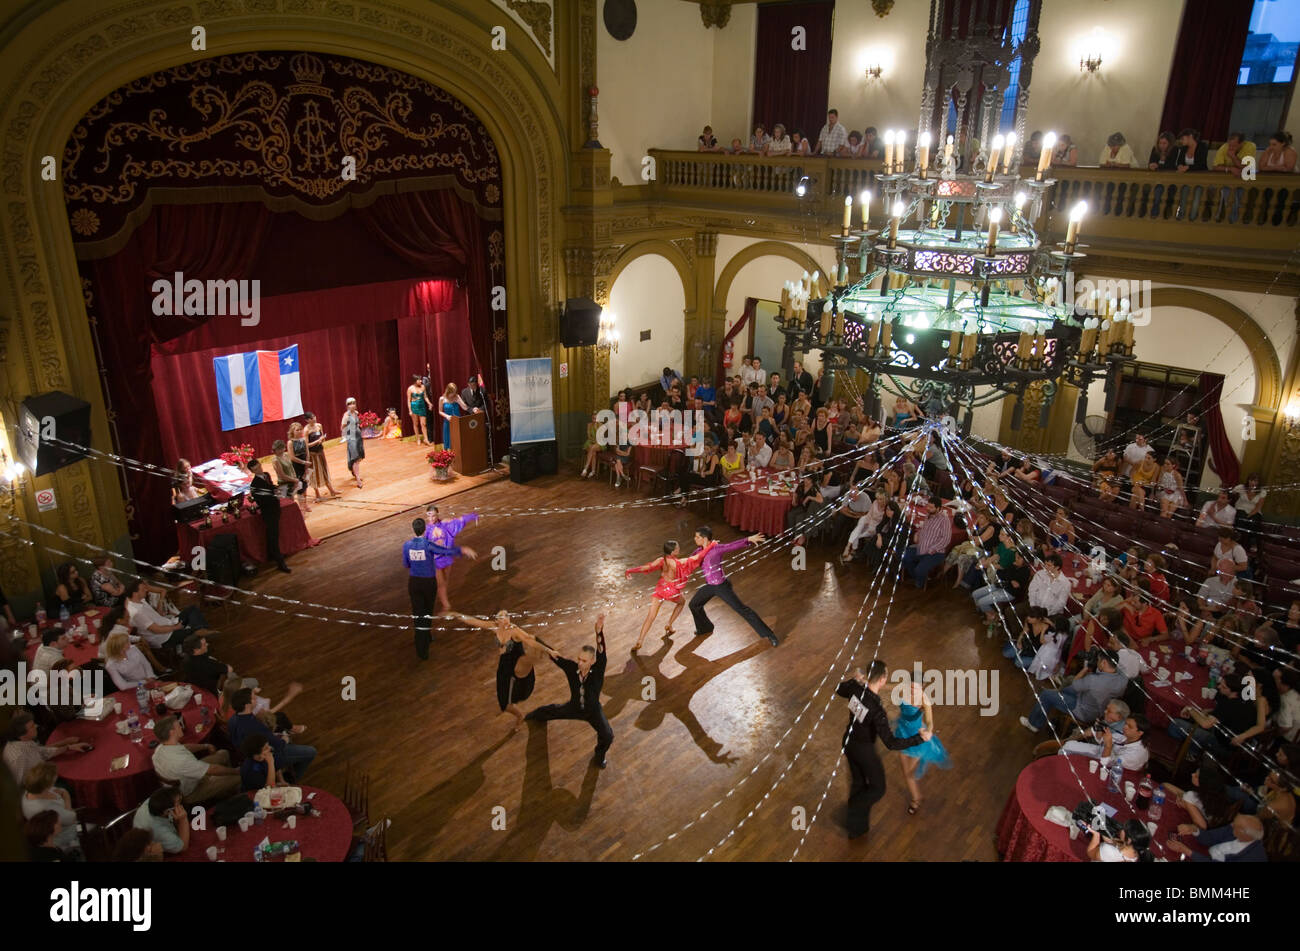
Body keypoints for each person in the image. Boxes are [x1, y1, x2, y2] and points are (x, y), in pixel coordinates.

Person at [836, 661, 929, 839]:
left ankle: (857, 829)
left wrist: (854, 681)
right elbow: (891, 743)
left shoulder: (856, 689)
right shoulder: (877, 709)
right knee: (878, 788)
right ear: (883, 679)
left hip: (848, 743)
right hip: (864, 750)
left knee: (859, 783)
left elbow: (839, 689)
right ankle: (852, 811)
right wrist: (918, 738)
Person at [525, 614, 614, 768]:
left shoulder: (598, 671)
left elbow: (601, 652)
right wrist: (538, 642)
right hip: (574, 707)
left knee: (607, 736)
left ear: (592, 661)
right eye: (579, 659)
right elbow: (555, 656)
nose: (580, 663)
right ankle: (536, 715)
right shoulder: (572, 668)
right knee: (554, 710)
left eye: (584, 661)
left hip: (593, 712)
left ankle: (599, 758)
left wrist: (599, 632)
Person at [455, 610, 553, 725]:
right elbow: (474, 622)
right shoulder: (494, 627)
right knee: (504, 703)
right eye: (502, 617)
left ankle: (520, 716)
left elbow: (528, 640)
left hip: (517, 664)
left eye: (507, 616)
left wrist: (548, 650)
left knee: (510, 699)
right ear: (497, 621)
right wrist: (456, 615)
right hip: (504, 666)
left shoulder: (514, 630)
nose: (506, 619)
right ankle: (518, 714)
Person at [687, 527, 779, 646]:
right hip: (709, 586)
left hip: (721, 586)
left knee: (743, 610)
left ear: (704, 538)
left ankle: (769, 635)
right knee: (694, 605)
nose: (695, 539)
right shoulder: (698, 551)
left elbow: (732, 546)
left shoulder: (717, 549)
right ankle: (705, 627)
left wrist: (748, 539)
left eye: (697, 537)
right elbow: (689, 561)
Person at [403, 517, 474, 660]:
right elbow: (445, 551)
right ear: (424, 529)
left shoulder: (406, 545)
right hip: (428, 583)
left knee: (418, 614)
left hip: (414, 583)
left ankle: (425, 638)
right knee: (427, 612)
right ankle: (423, 649)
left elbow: (406, 564)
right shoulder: (428, 545)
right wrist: (461, 550)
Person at [625, 540, 709, 652]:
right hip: (671, 591)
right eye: (677, 548)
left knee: (651, 616)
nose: (679, 549)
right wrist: (711, 545)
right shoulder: (677, 563)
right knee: (682, 602)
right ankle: (669, 624)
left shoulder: (661, 560)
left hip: (660, 588)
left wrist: (629, 570)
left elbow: (646, 567)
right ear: (673, 551)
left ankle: (640, 640)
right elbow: (697, 557)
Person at [1019, 648, 1127, 733]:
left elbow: (1074, 685)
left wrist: (1085, 669)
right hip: (1099, 710)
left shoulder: (1093, 680)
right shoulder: (1123, 680)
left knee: (1047, 694)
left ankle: (1033, 724)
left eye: (1098, 661)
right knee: (1064, 689)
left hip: (1083, 710)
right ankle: (1055, 695)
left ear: (1103, 663)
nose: (1097, 662)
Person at [227, 687, 318, 783]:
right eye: (254, 698)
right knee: (311, 752)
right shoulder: (255, 726)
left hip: (248, 755)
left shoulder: (233, 719)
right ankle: (291, 779)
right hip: (264, 758)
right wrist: (284, 739)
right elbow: (279, 745)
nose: (257, 700)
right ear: (247, 705)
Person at [150, 715, 240, 805]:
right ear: (172, 732)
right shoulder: (181, 761)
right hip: (193, 791)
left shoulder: (160, 748)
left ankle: (227, 790)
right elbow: (213, 770)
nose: (181, 727)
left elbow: (184, 747)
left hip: (189, 777)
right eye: (179, 725)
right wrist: (236, 771)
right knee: (240, 777)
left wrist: (205, 746)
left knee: (223, 754)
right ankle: (232, 791)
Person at [893, 677, 951, 815]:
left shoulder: (925, 700)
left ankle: (916, 799)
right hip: (902, 735)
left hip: (917, 739)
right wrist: (867, 682)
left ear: (923, 687)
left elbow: (930, 721)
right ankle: (916, 797)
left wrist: (928, 731)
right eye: (911, 687)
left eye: (916, 688)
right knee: (906, 773)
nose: (912, 691)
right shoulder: (903, 689)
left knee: (910, 774)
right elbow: (885, 686)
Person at [124, 577, 208, 648]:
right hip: (163, 638)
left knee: (192, 609)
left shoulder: (137, 599)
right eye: (143, 589)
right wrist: (176, 627)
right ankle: (199, 643)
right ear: (135, 593)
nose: (147, 590)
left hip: (167, 624)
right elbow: (157, 630)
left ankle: (201, 638)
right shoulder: (136, 612)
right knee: (194, 629)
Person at [425, 506, 480, 613]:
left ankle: (446, 603)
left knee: (445, 581)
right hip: (435, 560)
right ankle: (446, 606)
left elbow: (460, 520)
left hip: (447, 557)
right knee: (440, 584)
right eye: (429, 516)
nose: (431, 518)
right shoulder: (426, 529)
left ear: (437, 515)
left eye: (433, 515)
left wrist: (473, 516)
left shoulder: (446, 525)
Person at [20, 762, 80, 853]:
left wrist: (60, 793)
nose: (56, 777)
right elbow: (71, 818)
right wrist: (67, 797)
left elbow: (55, 791)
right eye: (53, 781)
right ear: (46, 786)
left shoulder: (29, 791)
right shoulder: (47, 808)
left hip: (48, 831)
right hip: (62, 834)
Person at [1061, 714, 1150, 771]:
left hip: (1112, 769)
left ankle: (1063, 768)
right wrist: (1100, 729)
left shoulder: (1136, 754)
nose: (1125, 727)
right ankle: (1063, 766)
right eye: (1126, 724)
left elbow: (1107, 764)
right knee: (1068, 745)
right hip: (1104, 753)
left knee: (1066, 750)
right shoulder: (1126, 736)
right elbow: (1102, 739)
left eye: (1129, 726)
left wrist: (1108, 745)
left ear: (1140, 733)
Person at [247, 459, 290, 572]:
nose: (259, 469)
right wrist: (275, 495)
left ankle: (273, 555)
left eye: (259, 466)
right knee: (273, 536)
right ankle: (280, 562)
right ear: (252, 471)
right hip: (268, 512)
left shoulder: (266, 475)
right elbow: (261, 501)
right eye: (256, 469)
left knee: (274, 534)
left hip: (275, 508)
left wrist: (277, 489)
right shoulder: (254, 486)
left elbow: (270, 487)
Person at [1164, 814, 1266, 862]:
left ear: (1243, 833)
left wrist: (1186, 851)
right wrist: (1194, 829)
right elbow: (1211, 837)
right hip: (1206, 853)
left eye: (1235, 825)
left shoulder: (1252, 857)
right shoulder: (1237, 829)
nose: (1231, 825)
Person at [900, 496, 952, 588]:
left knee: (920, 569)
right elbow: (924, 529)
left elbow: (946, 539)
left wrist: (932, 549)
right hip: (922, 547)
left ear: (938, 508)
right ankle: (917, 578)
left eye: (931, 507)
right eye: (928, 506)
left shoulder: (944, 520)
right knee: (904, 557)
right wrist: (917, 534)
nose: (928, 509)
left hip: (935, 552)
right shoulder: (928, 516)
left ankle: (919, 583)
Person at [132, 786, 191, 854]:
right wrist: (183, 819)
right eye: (179, 802)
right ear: (167, 811)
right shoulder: (160, 831)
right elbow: (183, 847)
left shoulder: (153, 801)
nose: (181, 804)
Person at [302, 412, 340, 500]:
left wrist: (322, 440)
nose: (314, 419)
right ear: (307, 420)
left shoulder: (319, 425)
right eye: (311, 418)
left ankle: (331, 490)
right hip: (312, 454)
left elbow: (322, 437)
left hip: (320, 452)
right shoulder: (306, 430)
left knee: (324, 470)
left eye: (314, 417)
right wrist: (317, 441)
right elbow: (306, 445)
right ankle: (317, 494)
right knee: (314, 473)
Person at [287, 422, 314, 513]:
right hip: (296, 465)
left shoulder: (303, 440)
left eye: (300, 429)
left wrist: (306, 464)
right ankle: (301, 506)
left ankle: (305, 504)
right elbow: (292, 457)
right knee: (299, 486)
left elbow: (307, 452)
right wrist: (303, 462)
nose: (299, 431)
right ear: (292, 431)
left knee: (305, 485)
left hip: (305, 464)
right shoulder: (290, 442)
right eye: (297, 430)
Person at [341, 397, 365, 488]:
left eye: (353, 403)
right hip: (351, 438)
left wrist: (359, 427)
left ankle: (355, 473)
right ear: (347, 406)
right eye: (350, 404)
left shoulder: (356, 413)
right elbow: (343, 427)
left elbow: (357, 423)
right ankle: (358, 479)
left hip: (358, 436)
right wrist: (344, 436)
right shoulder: (346, 416)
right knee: (355, 458)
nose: (352, 405)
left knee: (358, 458)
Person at [438, 383, 464, 450]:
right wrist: (447, 416)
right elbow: (440, 411)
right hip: (448, 421)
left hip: (457, 421)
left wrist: (459, 400)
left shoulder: (457, 396)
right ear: (448, 391)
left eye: (455, 392)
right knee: (447, 439)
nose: (454, 394)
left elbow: (465, 407)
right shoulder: (442, 399)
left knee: (457, 439)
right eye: (452, 392)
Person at [407, 374, 430, 445]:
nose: (421, 381)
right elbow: (409, 400)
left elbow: (425, 396)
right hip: (414, 407)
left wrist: (429, 403)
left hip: (422, 407)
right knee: (416, 424)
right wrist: (410, 410)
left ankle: (426, 439)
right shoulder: (410, 389)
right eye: (419, 380)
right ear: (415, 381)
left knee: (423, 424)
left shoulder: (423, 387)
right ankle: (418, 439)